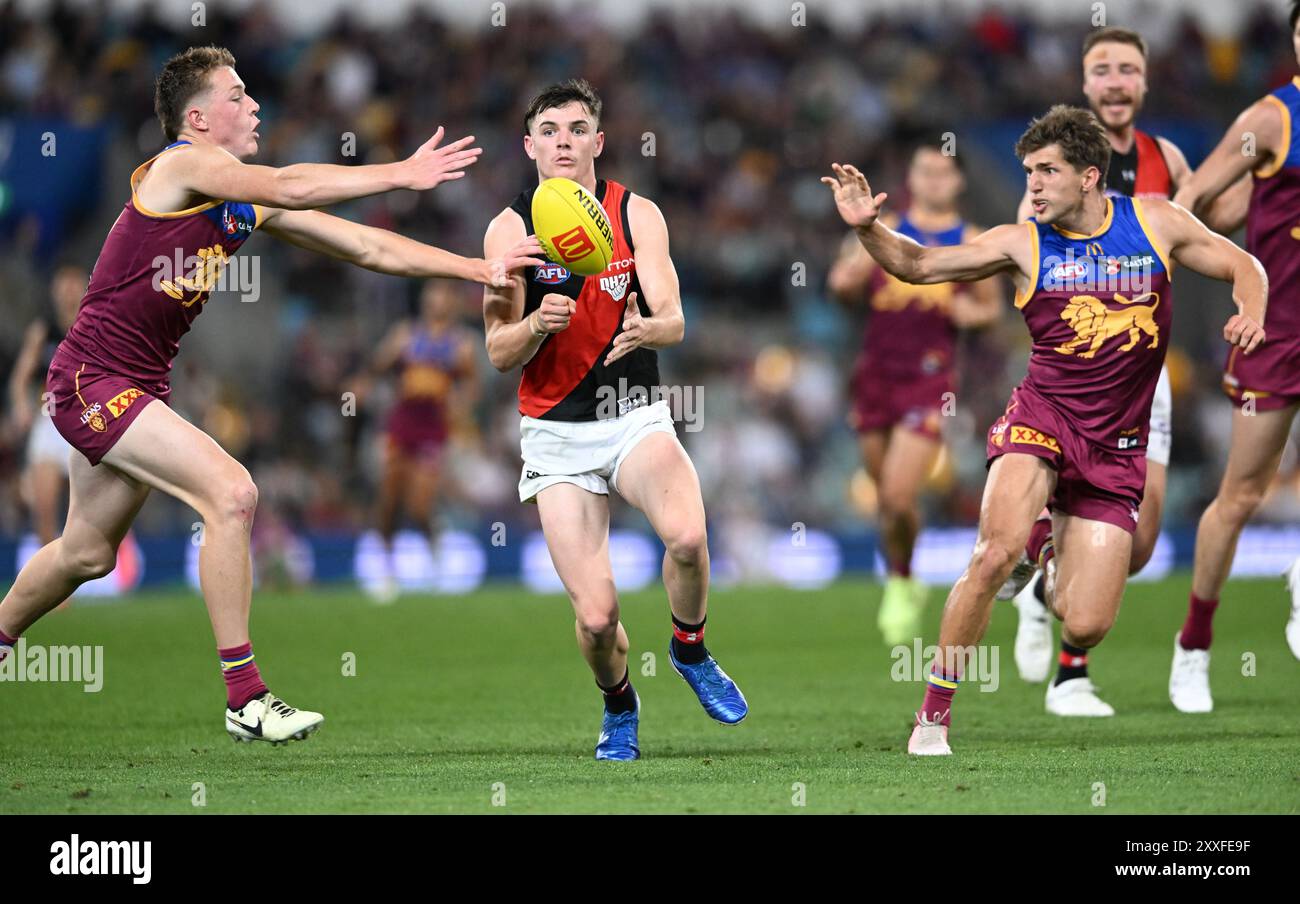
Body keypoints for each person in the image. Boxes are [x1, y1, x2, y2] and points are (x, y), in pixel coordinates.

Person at [0, 45, 543, 745]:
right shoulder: (180, 166)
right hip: (93, 379)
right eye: (238, 96)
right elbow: (287, 184)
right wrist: (400, 174)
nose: (254, 105)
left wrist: (477, 266)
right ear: (197, 118)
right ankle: (245, 696)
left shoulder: (236, 199)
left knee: (86, 554)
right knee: (232, 494)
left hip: (133, 383)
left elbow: (365, 248)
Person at [824, 104, 1266, 755]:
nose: (1032, 184)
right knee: (990, 553)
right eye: (1028, 170)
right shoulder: (1021, 241)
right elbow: (919, 266)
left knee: (1085, 624)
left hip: (1117, 443)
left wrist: (1251, 311)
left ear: (1089, 175)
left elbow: (1244, 265)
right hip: (1041, 420)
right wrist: (869, 230)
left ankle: (1046, 554)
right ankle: (932, 719)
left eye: (1047, 171)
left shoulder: (1156, 221)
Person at [481, 79, 747, 761]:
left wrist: (649, 329)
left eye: (576, 129)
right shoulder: (509, 233)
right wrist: (538, 323)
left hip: (633, 417)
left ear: (598, 142)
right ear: (529, 144)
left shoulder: (638, 214)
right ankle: (619, 704)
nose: (563, 141)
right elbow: (497, 351)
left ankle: (689, 650)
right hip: (557, 437)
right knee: (597, 619)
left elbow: (676, 319)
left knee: (687, 536)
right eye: (549, 129)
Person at [1004, 26, 1251, 716]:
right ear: (1086, 85)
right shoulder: (1059, 162)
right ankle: (1069, 673)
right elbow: (1025, 248)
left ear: (1143, 84)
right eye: (1103, 69)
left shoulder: (1163, 158)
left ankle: (1045, 581)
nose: (1116, 81)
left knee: (1136, 545)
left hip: (1146, 380)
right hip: (1075, 375)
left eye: (1128, 70)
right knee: (1064, 506)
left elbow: (1209, 218)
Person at [1170, 0, 1300, 707]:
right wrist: (1229, 275)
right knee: (1242, 494)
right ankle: (1193, 644)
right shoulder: (1270, 121)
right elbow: (1194, 197)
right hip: (1277, 327)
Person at [828, 143, 1000, 647]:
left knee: (900, 493)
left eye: (944, 172)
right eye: (925, 170)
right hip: (875, 375)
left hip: (930, 381)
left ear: (959, 182)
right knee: (888, 500)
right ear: (911, 175)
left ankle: (899, 585)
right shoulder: (880, 228)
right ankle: (904, 571)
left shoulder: (969, 241)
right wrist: (848, 277)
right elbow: (841, 288)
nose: (934, 180)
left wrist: (969, 314)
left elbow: (990, 308)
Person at [357, 280, 479, 603]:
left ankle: (435, 544)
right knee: (389, 498)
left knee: (419, 502)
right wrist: (362, 385)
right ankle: (387, 569)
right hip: (402, 422)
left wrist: (460, 409)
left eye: (442, 295)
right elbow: (378, 365)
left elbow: (469, 384)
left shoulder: (460, 343)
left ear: (452, 303)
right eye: (432, 294)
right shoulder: (406, 334)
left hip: (433, 426)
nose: (436, 300)